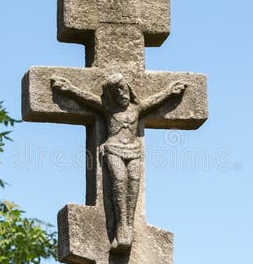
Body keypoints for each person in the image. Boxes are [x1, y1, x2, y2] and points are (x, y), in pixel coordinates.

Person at [51, 72, 186, 251]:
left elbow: (155, 100)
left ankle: (128, 225)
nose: (122, 95)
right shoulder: (108, 109)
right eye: (117, 92)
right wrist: (69, 89)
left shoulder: (136, 109)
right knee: (119, 181)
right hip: (114, 149)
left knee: (134, 184)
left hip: (134, 151)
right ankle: (121, 226)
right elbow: (87, 99)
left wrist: (170, 92)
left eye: (123, 90)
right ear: (111, 96)